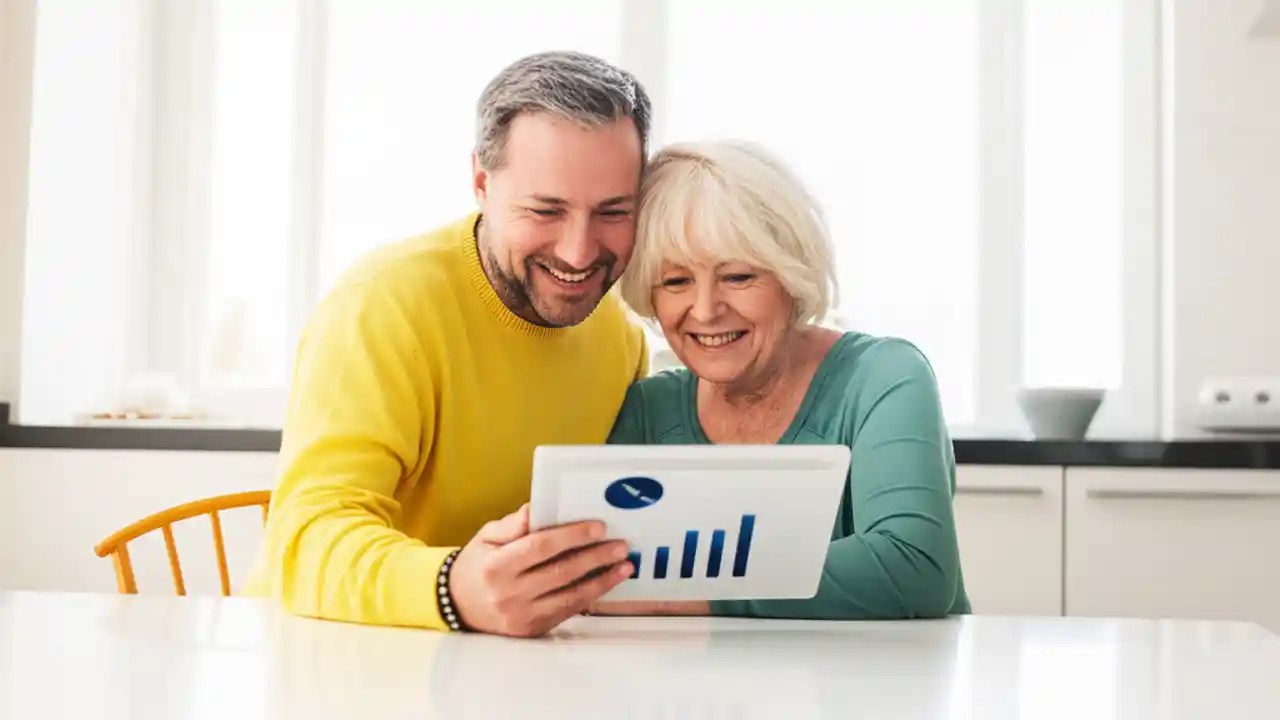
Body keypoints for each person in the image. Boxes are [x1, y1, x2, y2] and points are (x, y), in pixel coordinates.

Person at [242, 51, 651, 637]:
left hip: (517, 670)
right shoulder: (382, 306)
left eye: (613, 212)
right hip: (332, 655)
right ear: (482, 183)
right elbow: (304, 541)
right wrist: (454, 586)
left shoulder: (620, 335)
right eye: (544, 210)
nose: (579, 252)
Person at [596, 140, 971, 619]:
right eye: (675, 282)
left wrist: (689, 592)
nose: (706, 310)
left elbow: (912, 568)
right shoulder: (650, 410)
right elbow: (600, 573)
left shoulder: (885, 378)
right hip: (716, 687)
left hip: (887, 687)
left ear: (791, 278)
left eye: (738, 277)